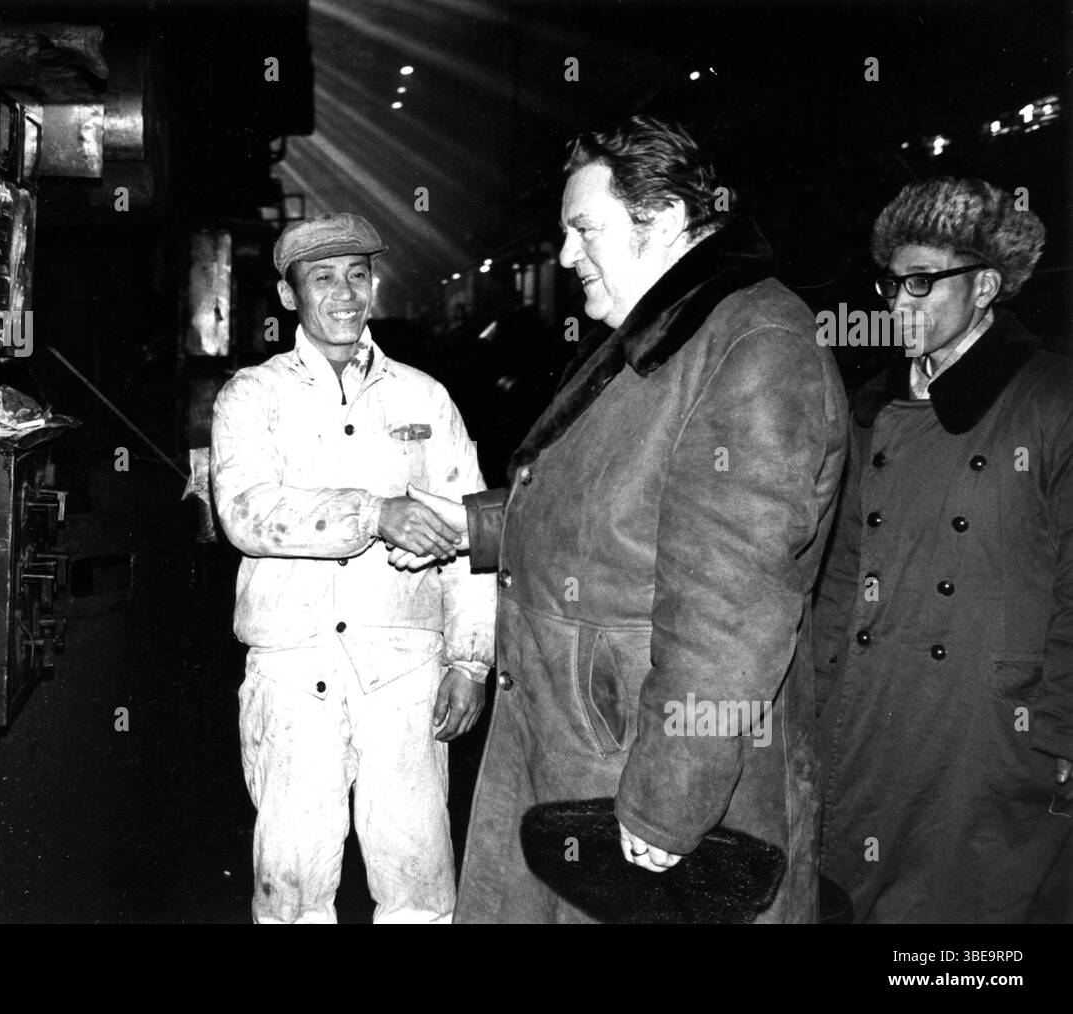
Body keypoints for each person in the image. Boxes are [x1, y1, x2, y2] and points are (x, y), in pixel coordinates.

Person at [393, 115, 847, 922]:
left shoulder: (756, 348)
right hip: (583, 754)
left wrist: (669, 801)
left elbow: (731, 610)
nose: (566, 257)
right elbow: (623, 514)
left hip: (634, 777)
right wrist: (478, 527)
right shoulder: (668, 332)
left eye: (584, 230)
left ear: (665, 219)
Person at [210, 212, 495, 923]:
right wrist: (374, 513)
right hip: (292, 671)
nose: (344, 294)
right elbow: (245, 511)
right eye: (322, 277)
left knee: (419, 887)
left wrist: (470, 662)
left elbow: (474, 536)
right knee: (293, 890)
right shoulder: (253, 396)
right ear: (288, 295)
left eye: (358, 276)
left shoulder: (424, 397)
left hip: (406, 673)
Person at [812, 177, 1073, 922]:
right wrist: (818, 706)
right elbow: (840, 574)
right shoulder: (871, 407)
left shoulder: (1051, 400)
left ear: (986, 285)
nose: (899, 304)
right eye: (892, 283)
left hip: (987, 735)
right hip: (870, 720)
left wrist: (1057, 738)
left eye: (922, 282)